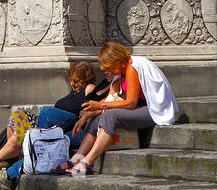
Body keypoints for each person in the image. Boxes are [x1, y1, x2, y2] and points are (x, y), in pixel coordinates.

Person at [0, 62, 107, 180]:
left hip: (68, 128)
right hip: (54, 126)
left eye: (76, 81)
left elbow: (85, 110)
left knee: (45, 114)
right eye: (71, 80)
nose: (72, 83)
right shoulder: (74, 91)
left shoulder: (89, 88)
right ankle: (7, 158)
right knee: (17, 116)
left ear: (86, 79)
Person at [63, 42, 178, 176]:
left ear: (117, 60)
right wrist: (87, 115)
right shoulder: (120, 73)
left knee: (110, 115)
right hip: (141, 107)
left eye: (108, 67)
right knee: (98, 117)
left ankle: (87, 162)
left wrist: (101, 106)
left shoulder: (132, 66)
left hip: (155, 110)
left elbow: (130, 103)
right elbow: (109, 99)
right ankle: (76, 158)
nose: (106, 71)